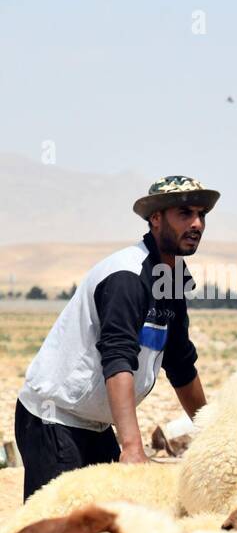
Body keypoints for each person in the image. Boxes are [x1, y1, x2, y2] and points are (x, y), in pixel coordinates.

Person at [14, 176, 219, 500]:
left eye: (201, 215)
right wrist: (133, 447)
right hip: (55, 420)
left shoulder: (172, 280)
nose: (196, 224)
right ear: (156, 218)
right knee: (58, 532)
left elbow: (181, 364)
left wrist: (213, 436)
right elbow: (117, 358)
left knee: (114, 525)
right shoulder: (127, 276)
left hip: (96, 425)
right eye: (184, 213)